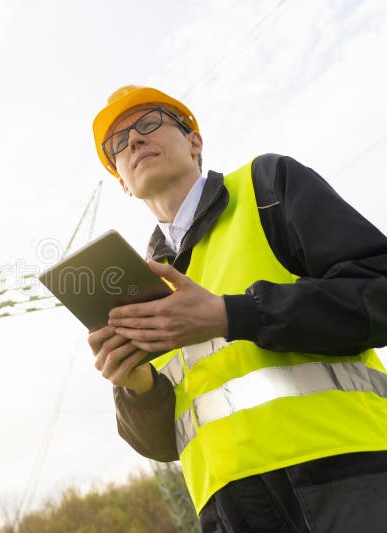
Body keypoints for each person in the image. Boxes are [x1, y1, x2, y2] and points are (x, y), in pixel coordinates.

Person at [86, 85, 387, 532]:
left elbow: (377, 291)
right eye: (118, 143)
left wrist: (233, 314)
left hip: (347, 477)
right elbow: (166, 444)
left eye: (148, 123)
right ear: (123, 185)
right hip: (229, 511)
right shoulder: (137, 286)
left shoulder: (267, 186)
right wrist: (134, 388)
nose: (132, 141)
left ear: (194, 142)